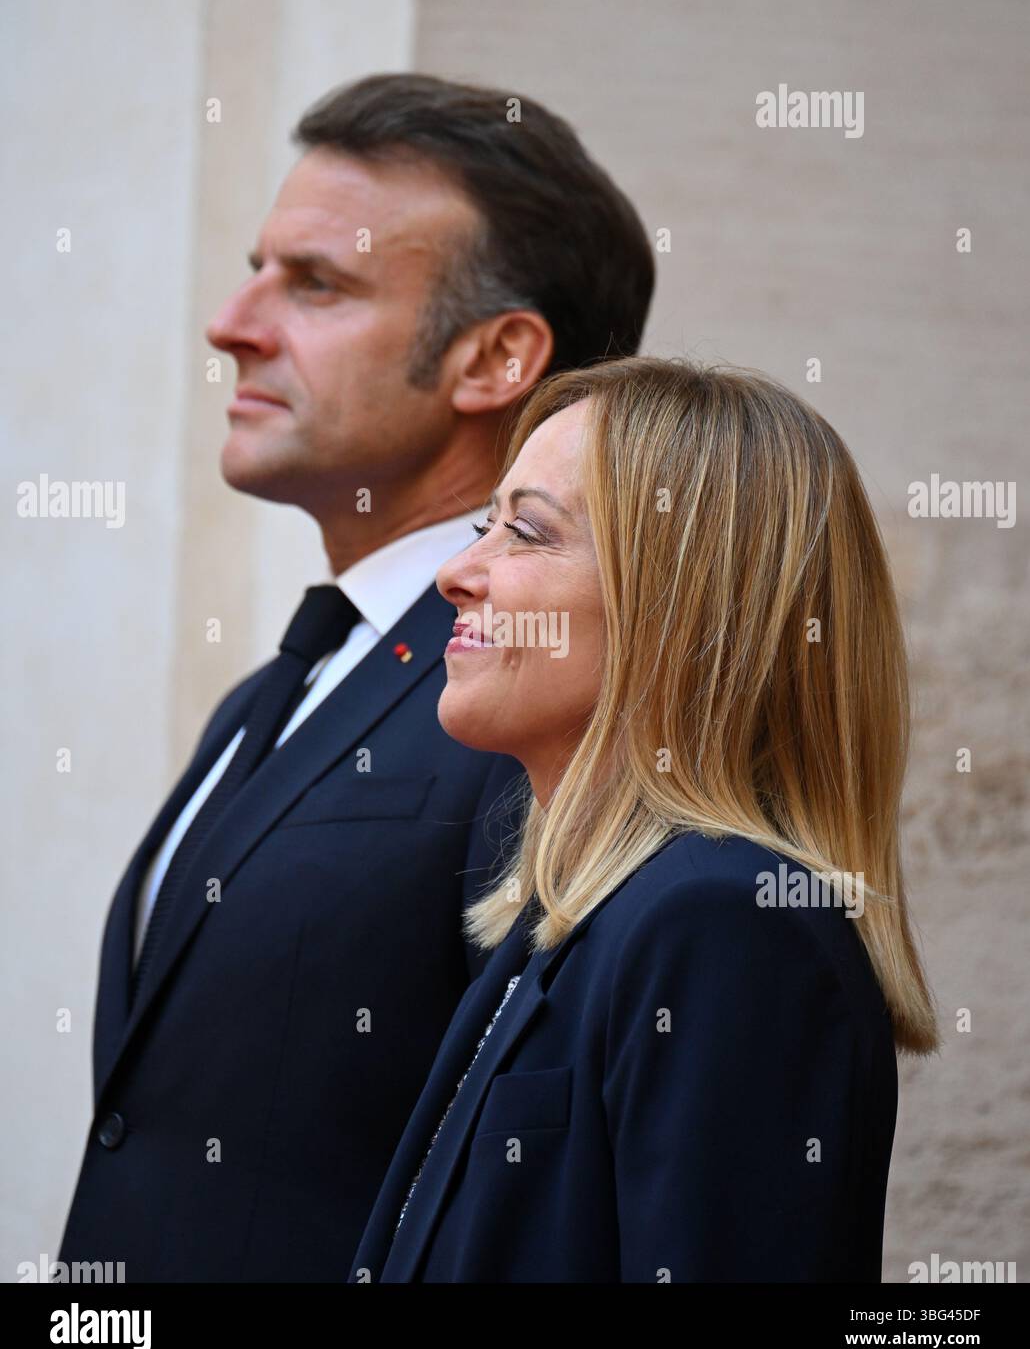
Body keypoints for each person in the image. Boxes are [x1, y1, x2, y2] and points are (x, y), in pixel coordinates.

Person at [58, 73, 654, 1282]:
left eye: (315, 284)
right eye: (258, 268)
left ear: (495, 356)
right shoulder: (272, 694)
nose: (233, 322)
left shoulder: (535, 694)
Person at [348, 356, 940, 1284]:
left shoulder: (727, 926)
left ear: (686, 605)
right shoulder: (580, 924)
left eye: (528, 534)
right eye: (481, 527)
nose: (460, 573)